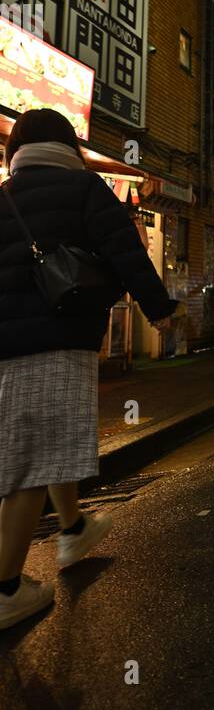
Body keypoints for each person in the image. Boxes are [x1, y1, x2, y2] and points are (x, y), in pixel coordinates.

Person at [0, 108, 176, 630]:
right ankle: (7, 588)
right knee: (32, 460)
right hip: (58, 339)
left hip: (5, 349)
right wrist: (160, 311)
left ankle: (73, 528)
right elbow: (127, 254)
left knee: (40, 443)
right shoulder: (86, 189)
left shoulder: (3, 195)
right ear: (69, 145)